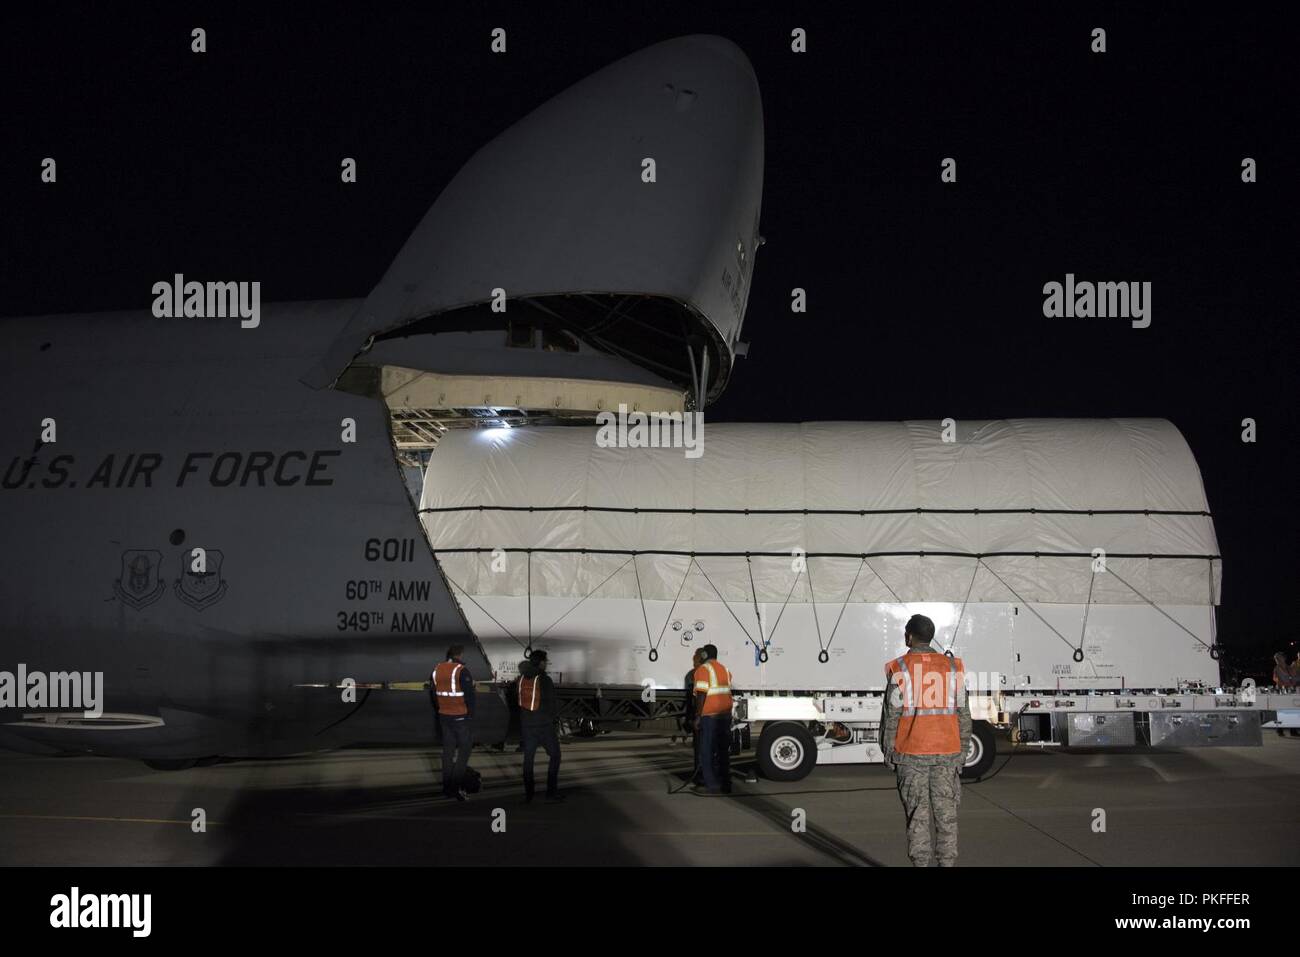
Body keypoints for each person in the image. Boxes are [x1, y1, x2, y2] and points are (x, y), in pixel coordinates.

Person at [880, 614, 971, 866]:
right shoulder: (953, 668)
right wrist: (962, 754)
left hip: (911, 756)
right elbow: (963, 714)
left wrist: (889, 754)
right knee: (947, 818)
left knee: (917, 818)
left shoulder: (900, 668)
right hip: (948, 755)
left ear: (910, 636)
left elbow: (891, 716)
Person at [517, 650, 564, 802]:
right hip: (543, 725)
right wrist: (553, 720)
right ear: (541, 662)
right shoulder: (544, 680)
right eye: (546, 661)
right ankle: (551, 793)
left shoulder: (521, 678)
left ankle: (529, 794)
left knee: (528, 759)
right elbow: (552, 703)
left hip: (527, 725)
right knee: (555, 755)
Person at [431, 644, 476, 801]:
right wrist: (470, 715)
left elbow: (434, 694)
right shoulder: (461, 671)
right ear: (460, 655)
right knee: (464, 752)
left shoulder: (437, 670)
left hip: (444, 715)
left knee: (448, 753)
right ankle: (456, 788)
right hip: (460, 717)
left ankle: (447, 788)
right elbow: (470, 697)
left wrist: (442, 708)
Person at [692, 644, 733, 794]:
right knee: (722, 751)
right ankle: (726, 783)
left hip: (710, 716)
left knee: (707, 750)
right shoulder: (725, 670)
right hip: (725, 715)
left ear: (704, 655)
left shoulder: (703, 670)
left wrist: (698, 716)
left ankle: (711, 785)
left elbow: (702, 694)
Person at [682, 648, 705, 782]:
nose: (693, 660)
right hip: (710, 715)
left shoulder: (696, 674)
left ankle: (700, 776)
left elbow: (697, 698)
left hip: (702, 715)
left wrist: (696, 717)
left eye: (695, 657)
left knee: (701, 748)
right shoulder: (711, 672)